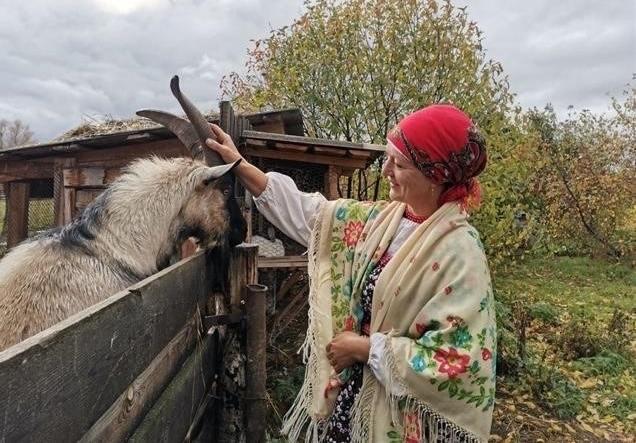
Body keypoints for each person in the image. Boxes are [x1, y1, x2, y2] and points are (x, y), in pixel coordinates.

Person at [206, 104, 496, 443]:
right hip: (355, 404)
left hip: (402, 421)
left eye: (398, 163)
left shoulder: (460, 252)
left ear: (435, 176)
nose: (385, 170)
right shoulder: (385, 221)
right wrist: (239, 164)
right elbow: (310, 214)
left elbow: (459, 364)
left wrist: (365, 348)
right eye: (388, 158)